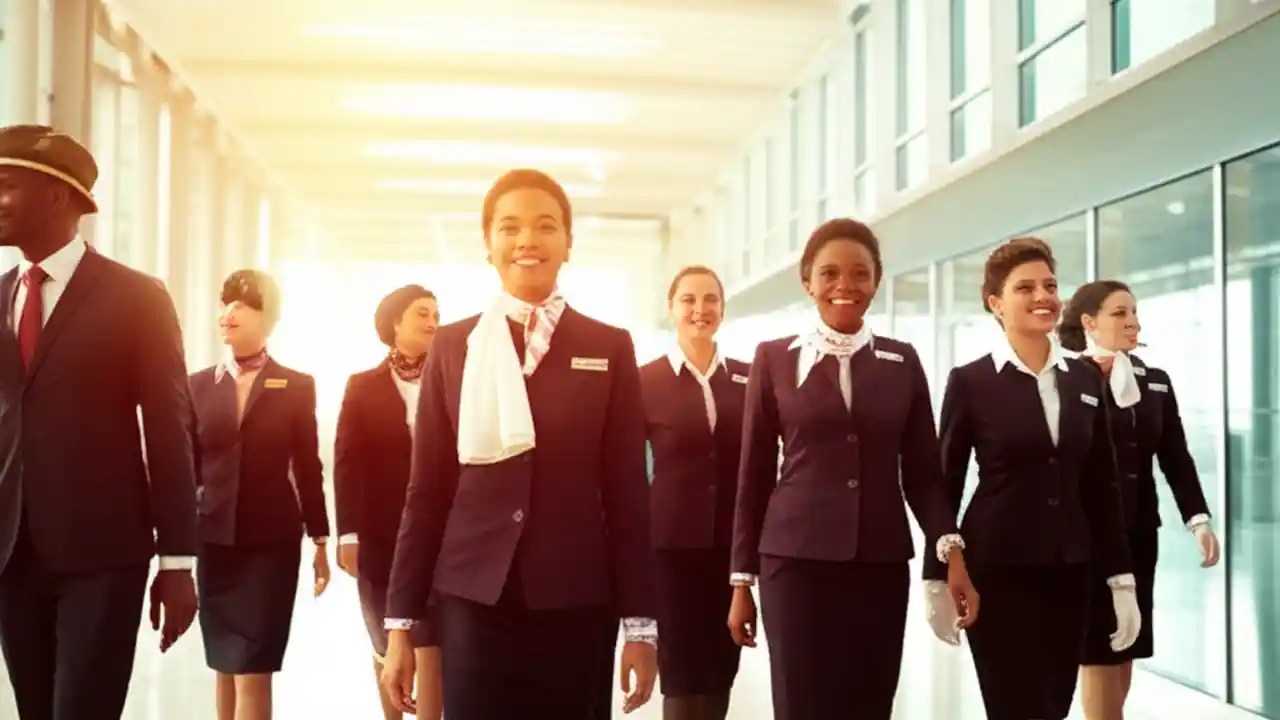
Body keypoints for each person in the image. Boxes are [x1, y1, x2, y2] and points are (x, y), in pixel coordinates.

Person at [380, 169, 658, 718]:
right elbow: (427, 491)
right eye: (509, 227)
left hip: (576, 597)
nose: (527, 240)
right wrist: (399, 624)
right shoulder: (454, 346)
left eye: (545, 226)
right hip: (474, 596)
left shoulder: (609, 347)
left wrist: (641, 624)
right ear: (489, 245)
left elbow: (628, 492)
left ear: (568, 243)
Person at [727, 218, 979, 720]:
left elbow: (925, 473)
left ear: (876, 281)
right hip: (793, 563)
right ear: (808, 282)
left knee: (869, 701)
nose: (845, 285)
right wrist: (740, 582)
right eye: (829, 273)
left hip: (879, 563)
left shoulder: (901, 362)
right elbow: (753, 473)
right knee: (801, 703)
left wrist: (951, 553)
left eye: (859, 273)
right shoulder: (774, 359)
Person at [0, 124, 199, 719]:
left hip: (103, 555)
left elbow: (170, 431)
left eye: (5, 185)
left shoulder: (136, 298)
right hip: (11, 553)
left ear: (57, 195)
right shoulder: (1, 293)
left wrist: (178, 562)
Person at [922, 238, 1141, 720]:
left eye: (1049, 285)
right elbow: (945, 482)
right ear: (995, 303)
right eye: (1025, 287)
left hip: (1070, 570)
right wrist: (937, 575)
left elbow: (1101, 485)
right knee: (1014, 707)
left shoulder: (1084, 380)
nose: (1042, 295)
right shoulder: (971, 381)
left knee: (1054, 705)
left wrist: (1121, 580)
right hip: (996, 571)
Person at [1058, 280, 1220, 719]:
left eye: (1134, 312)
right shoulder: (1067, 379)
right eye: (1119, 313)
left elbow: (1175, 457)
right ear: (1089, 322)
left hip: (1138, 530)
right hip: (1087, 532)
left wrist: (1198, 519)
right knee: (1098, 644)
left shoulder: (1155, 383)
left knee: (1127, 640)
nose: (1132, 321)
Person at [188, 269, 331, 720]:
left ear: (268, 319)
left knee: (254, 664)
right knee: (224, 663)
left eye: (243, 304)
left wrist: (322, 540)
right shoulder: (196, 385)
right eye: (225, 302)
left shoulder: (295, 384)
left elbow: (308, 465)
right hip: (213, 540)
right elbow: (186, 468)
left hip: (271, 544)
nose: (229, 313)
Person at [640, 266, 746, 720]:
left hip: (732, 550)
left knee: (722, 665)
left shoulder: (749, 377)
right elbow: (624, 469)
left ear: (723, 308)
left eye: (710, 299)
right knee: (681, 673)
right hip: (670, 550)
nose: (700, 309)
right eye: (688, 299)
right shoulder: (643, 381)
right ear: (672, 308)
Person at [335, 284, 444, 720]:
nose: (433, 321)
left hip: (440, 533)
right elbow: (347, 463)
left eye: (437, 313)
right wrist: (348, 534)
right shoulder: (362, 386)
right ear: (395, 322)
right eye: (422, 313)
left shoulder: (451, 379)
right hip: (380, 537)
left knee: (432, 640)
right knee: (385, 641)